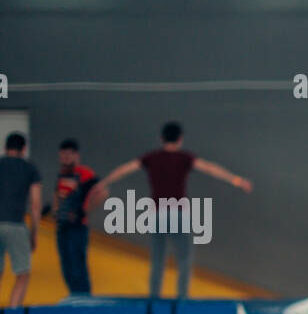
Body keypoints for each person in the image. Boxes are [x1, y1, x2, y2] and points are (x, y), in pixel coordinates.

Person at [98, 121, 253, 299]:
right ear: (180, 139)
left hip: (157, 214)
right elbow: (210, 168)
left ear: (162, 138)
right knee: (184, 260)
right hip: (178, 214)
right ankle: (182, 299)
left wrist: (104, 182)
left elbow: (125, 169)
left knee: (157, 261)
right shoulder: (185, 158)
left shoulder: (152, 158)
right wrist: (237, 180)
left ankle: (154, 299)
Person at [0, 132, 41, 309]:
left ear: (6, 147)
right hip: (14, 223)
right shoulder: (30, 168)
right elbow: (35, 204)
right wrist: (34, 234)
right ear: (23, 148)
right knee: (22, 273)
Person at [53, 139, 102, 297]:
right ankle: (75, 297)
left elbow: (102, 192)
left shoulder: (84, 173)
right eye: (63, 154)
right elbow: (58, 195)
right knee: (66, 266)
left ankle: (84, 299)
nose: (66, 157)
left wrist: (84, 211)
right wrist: (54, 210)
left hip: (77, 228)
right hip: (62, 227)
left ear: (76, 155)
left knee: (77, 266)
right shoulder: (62, 174)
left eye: (69, 154)